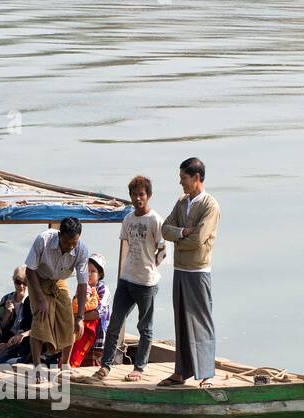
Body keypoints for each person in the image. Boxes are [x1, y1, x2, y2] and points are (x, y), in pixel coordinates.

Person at [80, 175, 165, 383]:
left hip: (147, 283)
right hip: (126, 279)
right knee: (114, 324)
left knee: (145, 327)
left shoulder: (155, 220)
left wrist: (152, 265)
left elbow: (163, 250)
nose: (138, 199)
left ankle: (139, 368)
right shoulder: (128, 219)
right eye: (134, 195)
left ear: (149, 196)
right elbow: (127, 245)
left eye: (141, 195)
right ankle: (105, 366)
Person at [159, 158, 220, 388]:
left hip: (198, 270)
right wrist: (183, 232)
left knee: (201, 320)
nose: (180, 182)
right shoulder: (182, 201)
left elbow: (199, 240)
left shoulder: (210, 205)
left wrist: (180, 238)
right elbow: (165, 229)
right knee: (181, 321)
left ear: (196, 178)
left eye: (184, 178)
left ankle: (207, 373)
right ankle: (180, 372)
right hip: (180, 269)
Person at [23, 217, 90, 368]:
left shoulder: (82, 250)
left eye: (74, 243)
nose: (70, 246)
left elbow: (82, 283)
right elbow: (30, 270)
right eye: (67, 242)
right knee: (41, 318)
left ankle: (65, 366)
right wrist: (40, 299)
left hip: (58, 280)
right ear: (60, 235)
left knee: (68, 319)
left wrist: (80, 317)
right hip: (38, 278)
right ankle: (37, 366)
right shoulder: (44, 240)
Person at [67, 256, 106, 367]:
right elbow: (74, 305)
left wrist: (79, 316)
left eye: (93, 271)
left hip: (97, 338)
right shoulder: (82, 287)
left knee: (91, 367)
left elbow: (98, 313)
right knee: (77, 364)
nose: (89, 274)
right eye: (87, 271)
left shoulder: (103, 289)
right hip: (80, 333)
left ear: (100, 274)